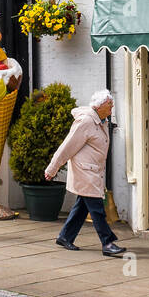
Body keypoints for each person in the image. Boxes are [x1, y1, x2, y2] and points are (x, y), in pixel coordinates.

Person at [44, 89, 126, 257]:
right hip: (85, 172)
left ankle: (65, 236)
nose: (112, 108)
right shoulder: (86, 121)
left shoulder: (101, 120)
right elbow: (67, 147)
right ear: (100, 106)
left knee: (82, 206)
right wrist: (52, 169)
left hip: (93, 171)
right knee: (97, 209)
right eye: (109, 105)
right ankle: (107, 243)